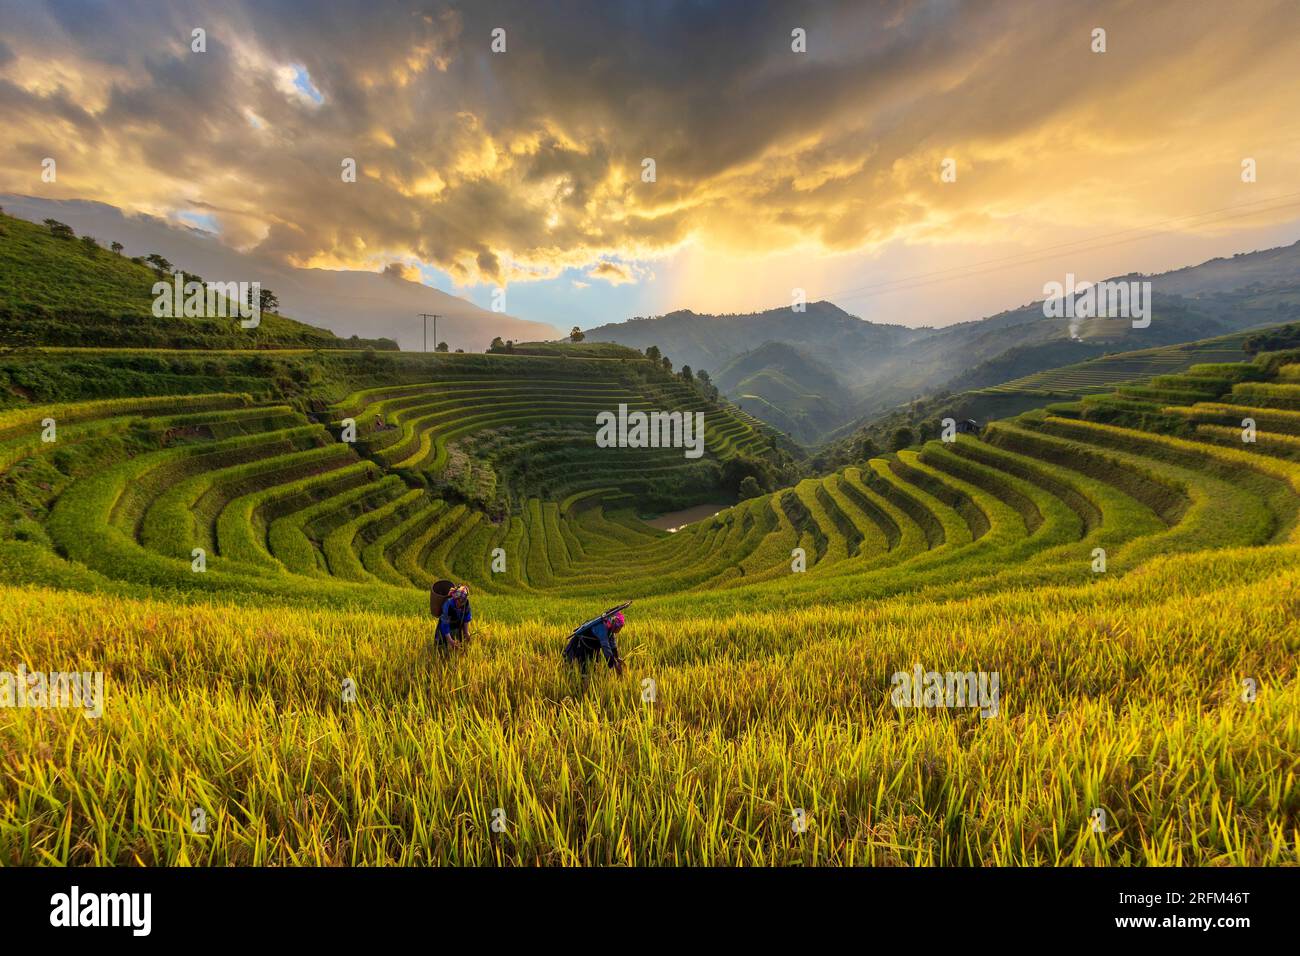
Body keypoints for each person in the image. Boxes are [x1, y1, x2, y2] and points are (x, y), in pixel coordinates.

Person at [562, 607, 627, 673]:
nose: (619, 630)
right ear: (613, 623)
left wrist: (616, 657)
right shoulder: (601, 628)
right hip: (581, 646)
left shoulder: (609, 628)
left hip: (592, 648)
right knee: (582, 668)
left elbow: (612, 643)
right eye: (619, 627)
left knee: (593, 668)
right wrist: (614, 664)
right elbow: (606, 647)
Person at [431, 581, 472, 649]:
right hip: (445, 628)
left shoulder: (466, 604)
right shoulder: (448, 604)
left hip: (457, 626)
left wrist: (466, 632)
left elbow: (466, 618)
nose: (459, 603)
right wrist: (450, 640)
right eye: (458, 601)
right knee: (442, 647)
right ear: (455, 598)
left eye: (462, 602)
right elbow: (445, 624)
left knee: (459, 647)